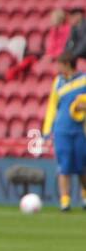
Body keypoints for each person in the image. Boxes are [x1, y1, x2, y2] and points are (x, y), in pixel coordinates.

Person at [41, 53, 86, 212]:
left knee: (82, 165)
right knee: (64, 166)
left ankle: (84, 196)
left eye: (60, 64)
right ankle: (65, 201)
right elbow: (52, 107)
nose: (57, 68)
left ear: (68, 64)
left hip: (81, 129)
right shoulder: (58, 82)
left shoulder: (84, 80)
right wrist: (47, 131)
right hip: (62, 130)